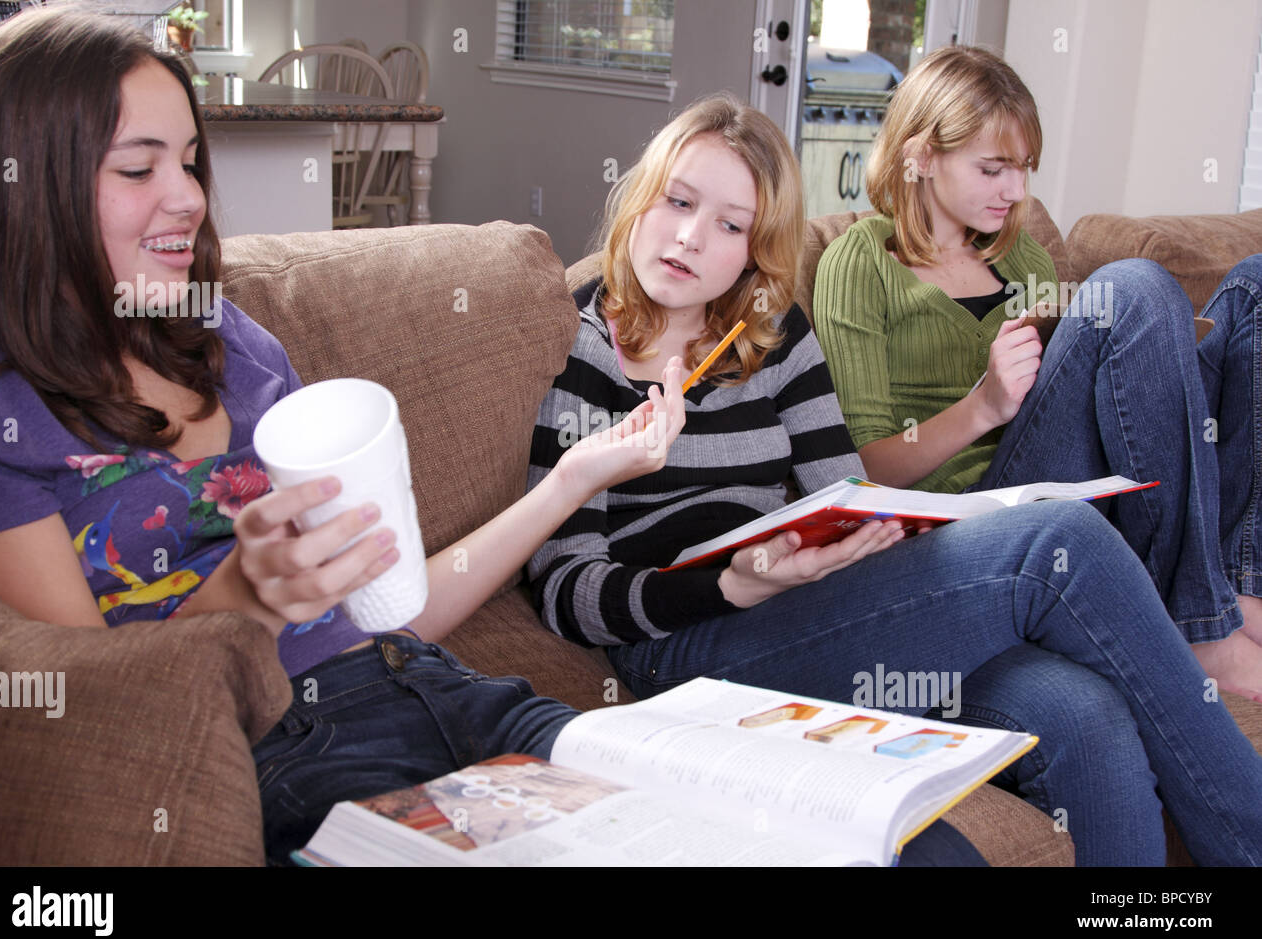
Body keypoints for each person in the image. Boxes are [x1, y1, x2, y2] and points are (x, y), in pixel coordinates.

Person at [0, 8, 986, 867]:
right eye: (140, 167)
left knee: (877, 831)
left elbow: (398, 598)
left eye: (190, 159)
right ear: (27, 182)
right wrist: (244, 592)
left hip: (443, 684)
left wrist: (572, 478)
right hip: (287, 745)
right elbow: (98, 718)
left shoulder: (233, 342)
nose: (188, 195)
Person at [527, 91, 1262, 865]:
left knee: (1086, 713)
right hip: (680, 649)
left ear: (755, 247)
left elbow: (847, 493)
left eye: (730, 224)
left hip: (813, 612)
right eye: (678, 201)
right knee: (1059, 540)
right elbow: (563, 587)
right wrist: (731, 586)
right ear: (641, 195)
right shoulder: (582, 351)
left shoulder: (772, 336)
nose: (689, 237)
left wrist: (881, 538)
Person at [811, 45, 1262, 702]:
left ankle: (1236, 587)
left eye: (1023, 168)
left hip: (1078, 493)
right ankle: (1203, 625)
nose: (1016, 190)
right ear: (921, 156)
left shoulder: (1021, 259)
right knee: (1130, 288)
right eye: (992, 168)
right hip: (969, 518)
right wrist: (983, 407)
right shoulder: (860, 263)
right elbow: (861, 472)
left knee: (1253, 288)